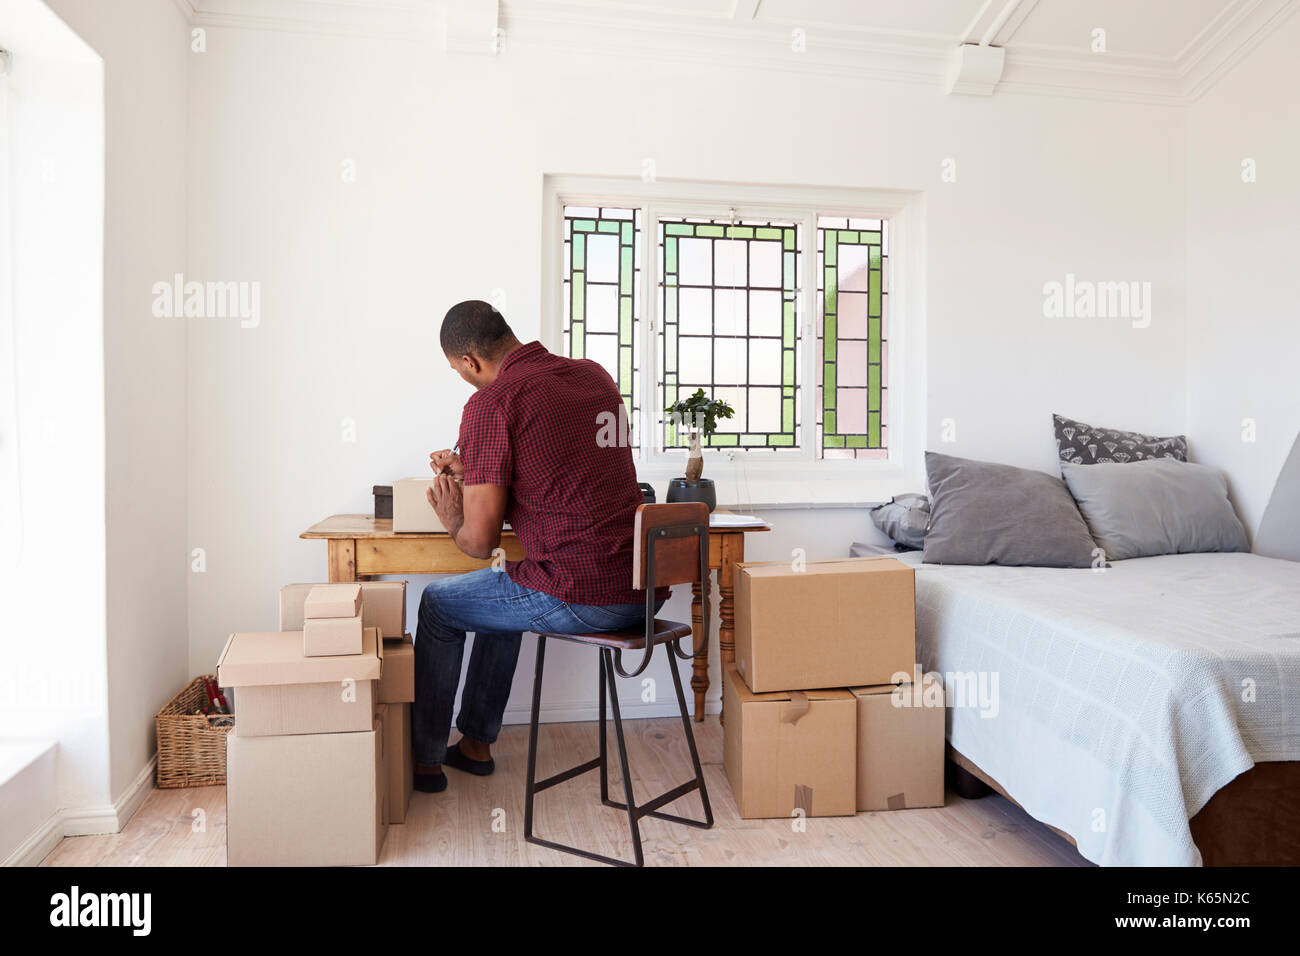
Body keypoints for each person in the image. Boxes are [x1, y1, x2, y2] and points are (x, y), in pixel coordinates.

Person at [413, 300, 664, 792]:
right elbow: (562, 461)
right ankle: (475, 746)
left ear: (469, 361)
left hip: (582, 597)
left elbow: (480, 543)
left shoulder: (490, 403)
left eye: (457, 372)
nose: (464, 381)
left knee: (439, 605)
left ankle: (423, 762)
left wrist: (452, 518)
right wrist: (479, 468)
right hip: (642, 590)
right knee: (501, 589)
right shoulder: (593, 376)